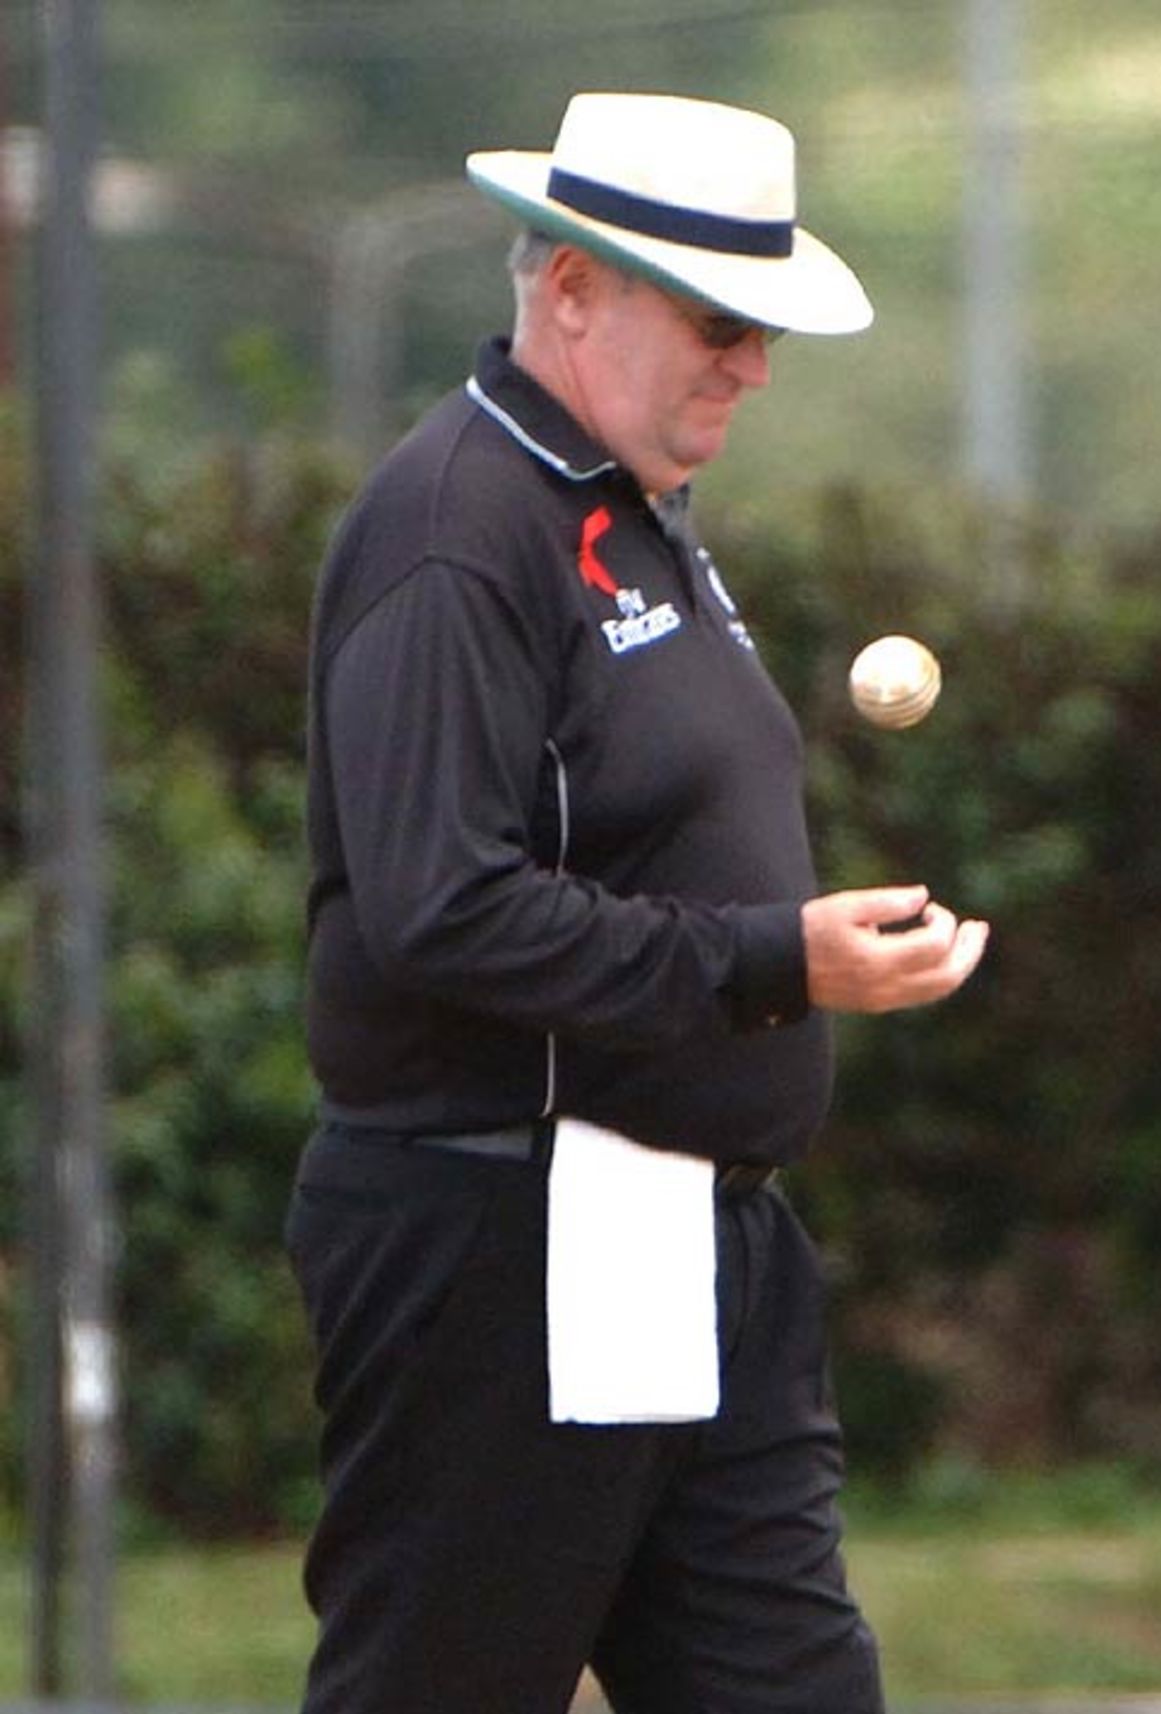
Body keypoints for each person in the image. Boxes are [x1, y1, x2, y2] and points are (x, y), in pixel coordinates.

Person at [287, 90, 989, 1714]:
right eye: (719, 318)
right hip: (504, 1231)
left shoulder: (620, 511)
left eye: (764, 328)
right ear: (575, 289)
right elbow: (436, 907)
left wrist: (776, 968)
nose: (752, 362)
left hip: (686, 1229)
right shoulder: (460, 527)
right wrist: (772, 960)